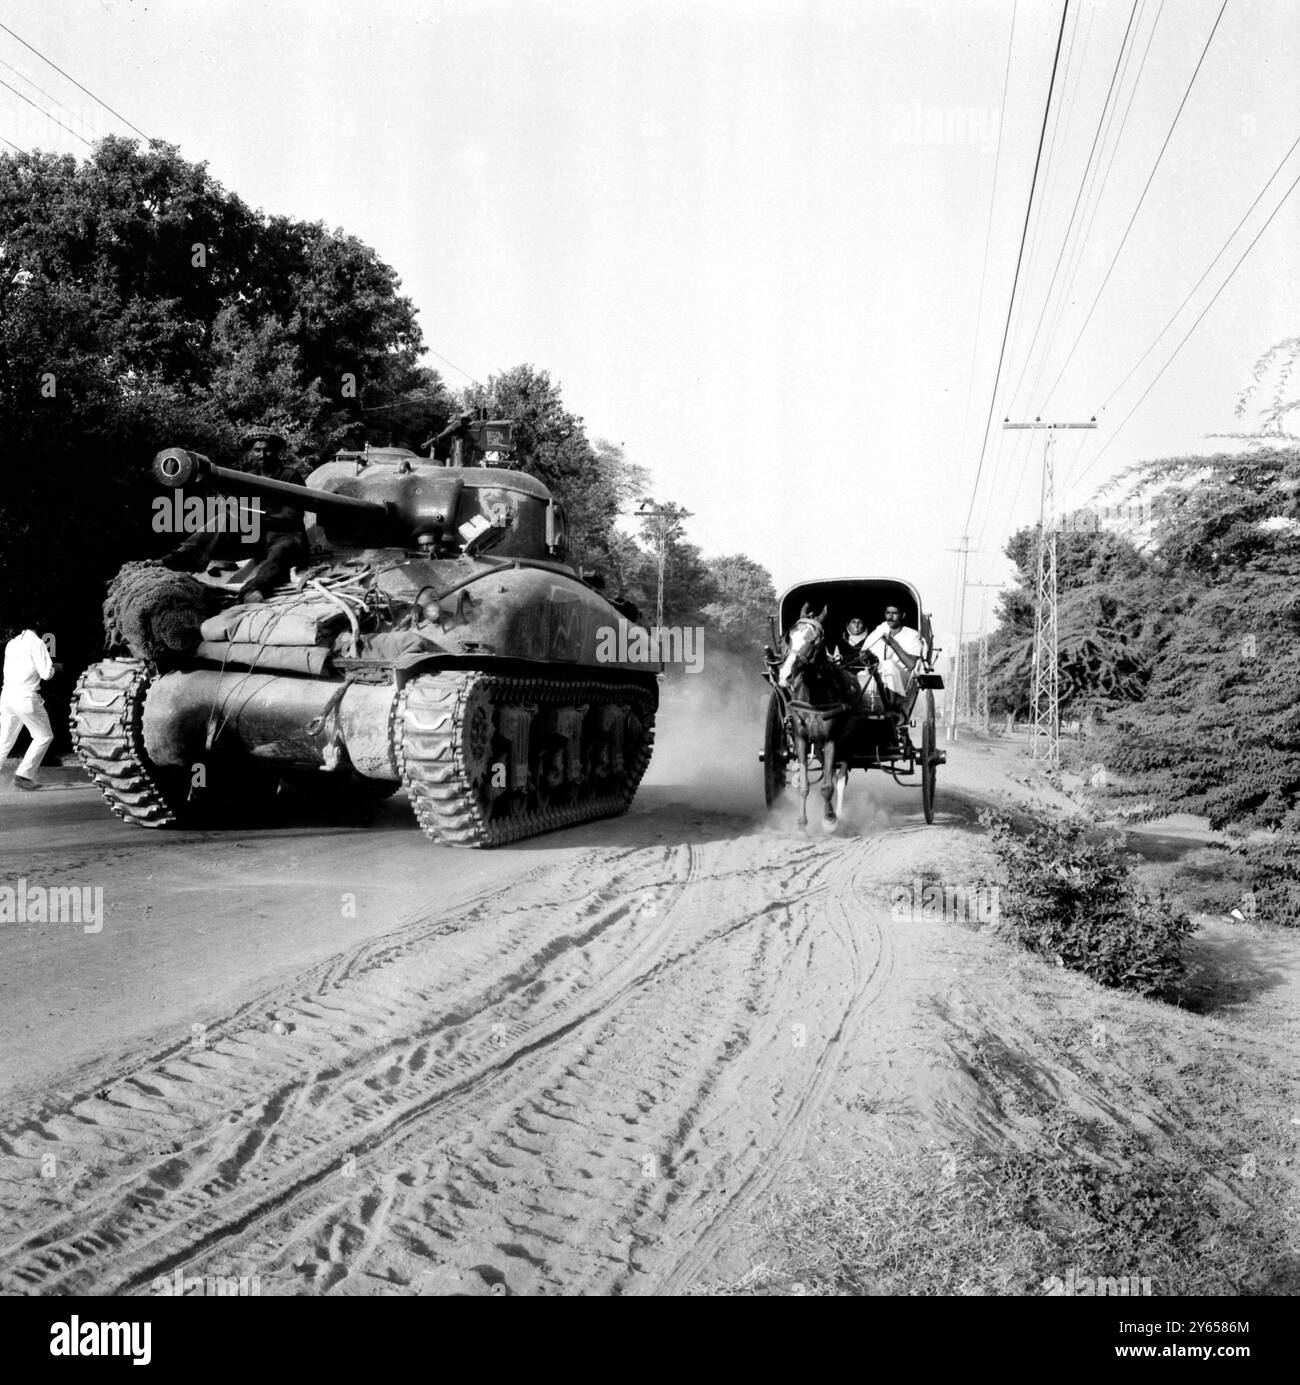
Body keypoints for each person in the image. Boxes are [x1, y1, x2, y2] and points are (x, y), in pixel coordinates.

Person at [163, 426, 309, 602]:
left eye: (267, 449)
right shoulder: (248, 477)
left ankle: (254, 589)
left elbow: (291, 518)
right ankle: (179, 559)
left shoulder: (289, 476)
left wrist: (256, 518)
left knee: (281, 551)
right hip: (257, 538)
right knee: (221, 520)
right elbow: (239, 510)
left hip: (286, 536)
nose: (262, 454)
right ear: (251, 453)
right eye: (257, 450)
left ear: (276, 451)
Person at [1, 619, 56, 790]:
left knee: (5, 738)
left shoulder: (12, 643)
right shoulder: (38, 643)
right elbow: (46, 673)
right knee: (44, 736)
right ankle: (24, 774)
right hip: (26, 697)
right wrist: (54, 667)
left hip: (7, 695)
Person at [864, 605, 925, 750]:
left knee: (889, 665)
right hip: (878, 678)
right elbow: (864, 654)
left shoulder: (912, 635)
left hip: (903, 680)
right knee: (861, 675)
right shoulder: (880, 630)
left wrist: (892, 643)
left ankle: (893, 711)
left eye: (894, 613)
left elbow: (911, 664)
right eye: (887, 613)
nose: (890, 617)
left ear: (902, 615)